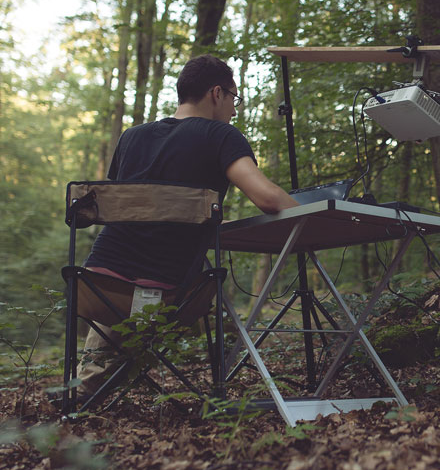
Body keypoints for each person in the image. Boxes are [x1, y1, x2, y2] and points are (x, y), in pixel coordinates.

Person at [77, 54, 299, 396]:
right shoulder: (221, 135)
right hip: (168, 292)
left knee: (121, 292)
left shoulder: (130, 137)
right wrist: (318, 212)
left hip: (97, 285)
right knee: (159, 284)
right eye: (234, 98)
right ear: (216, 93)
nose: (235, 109)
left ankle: (78, 397)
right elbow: (267, 199)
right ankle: (85, 396)